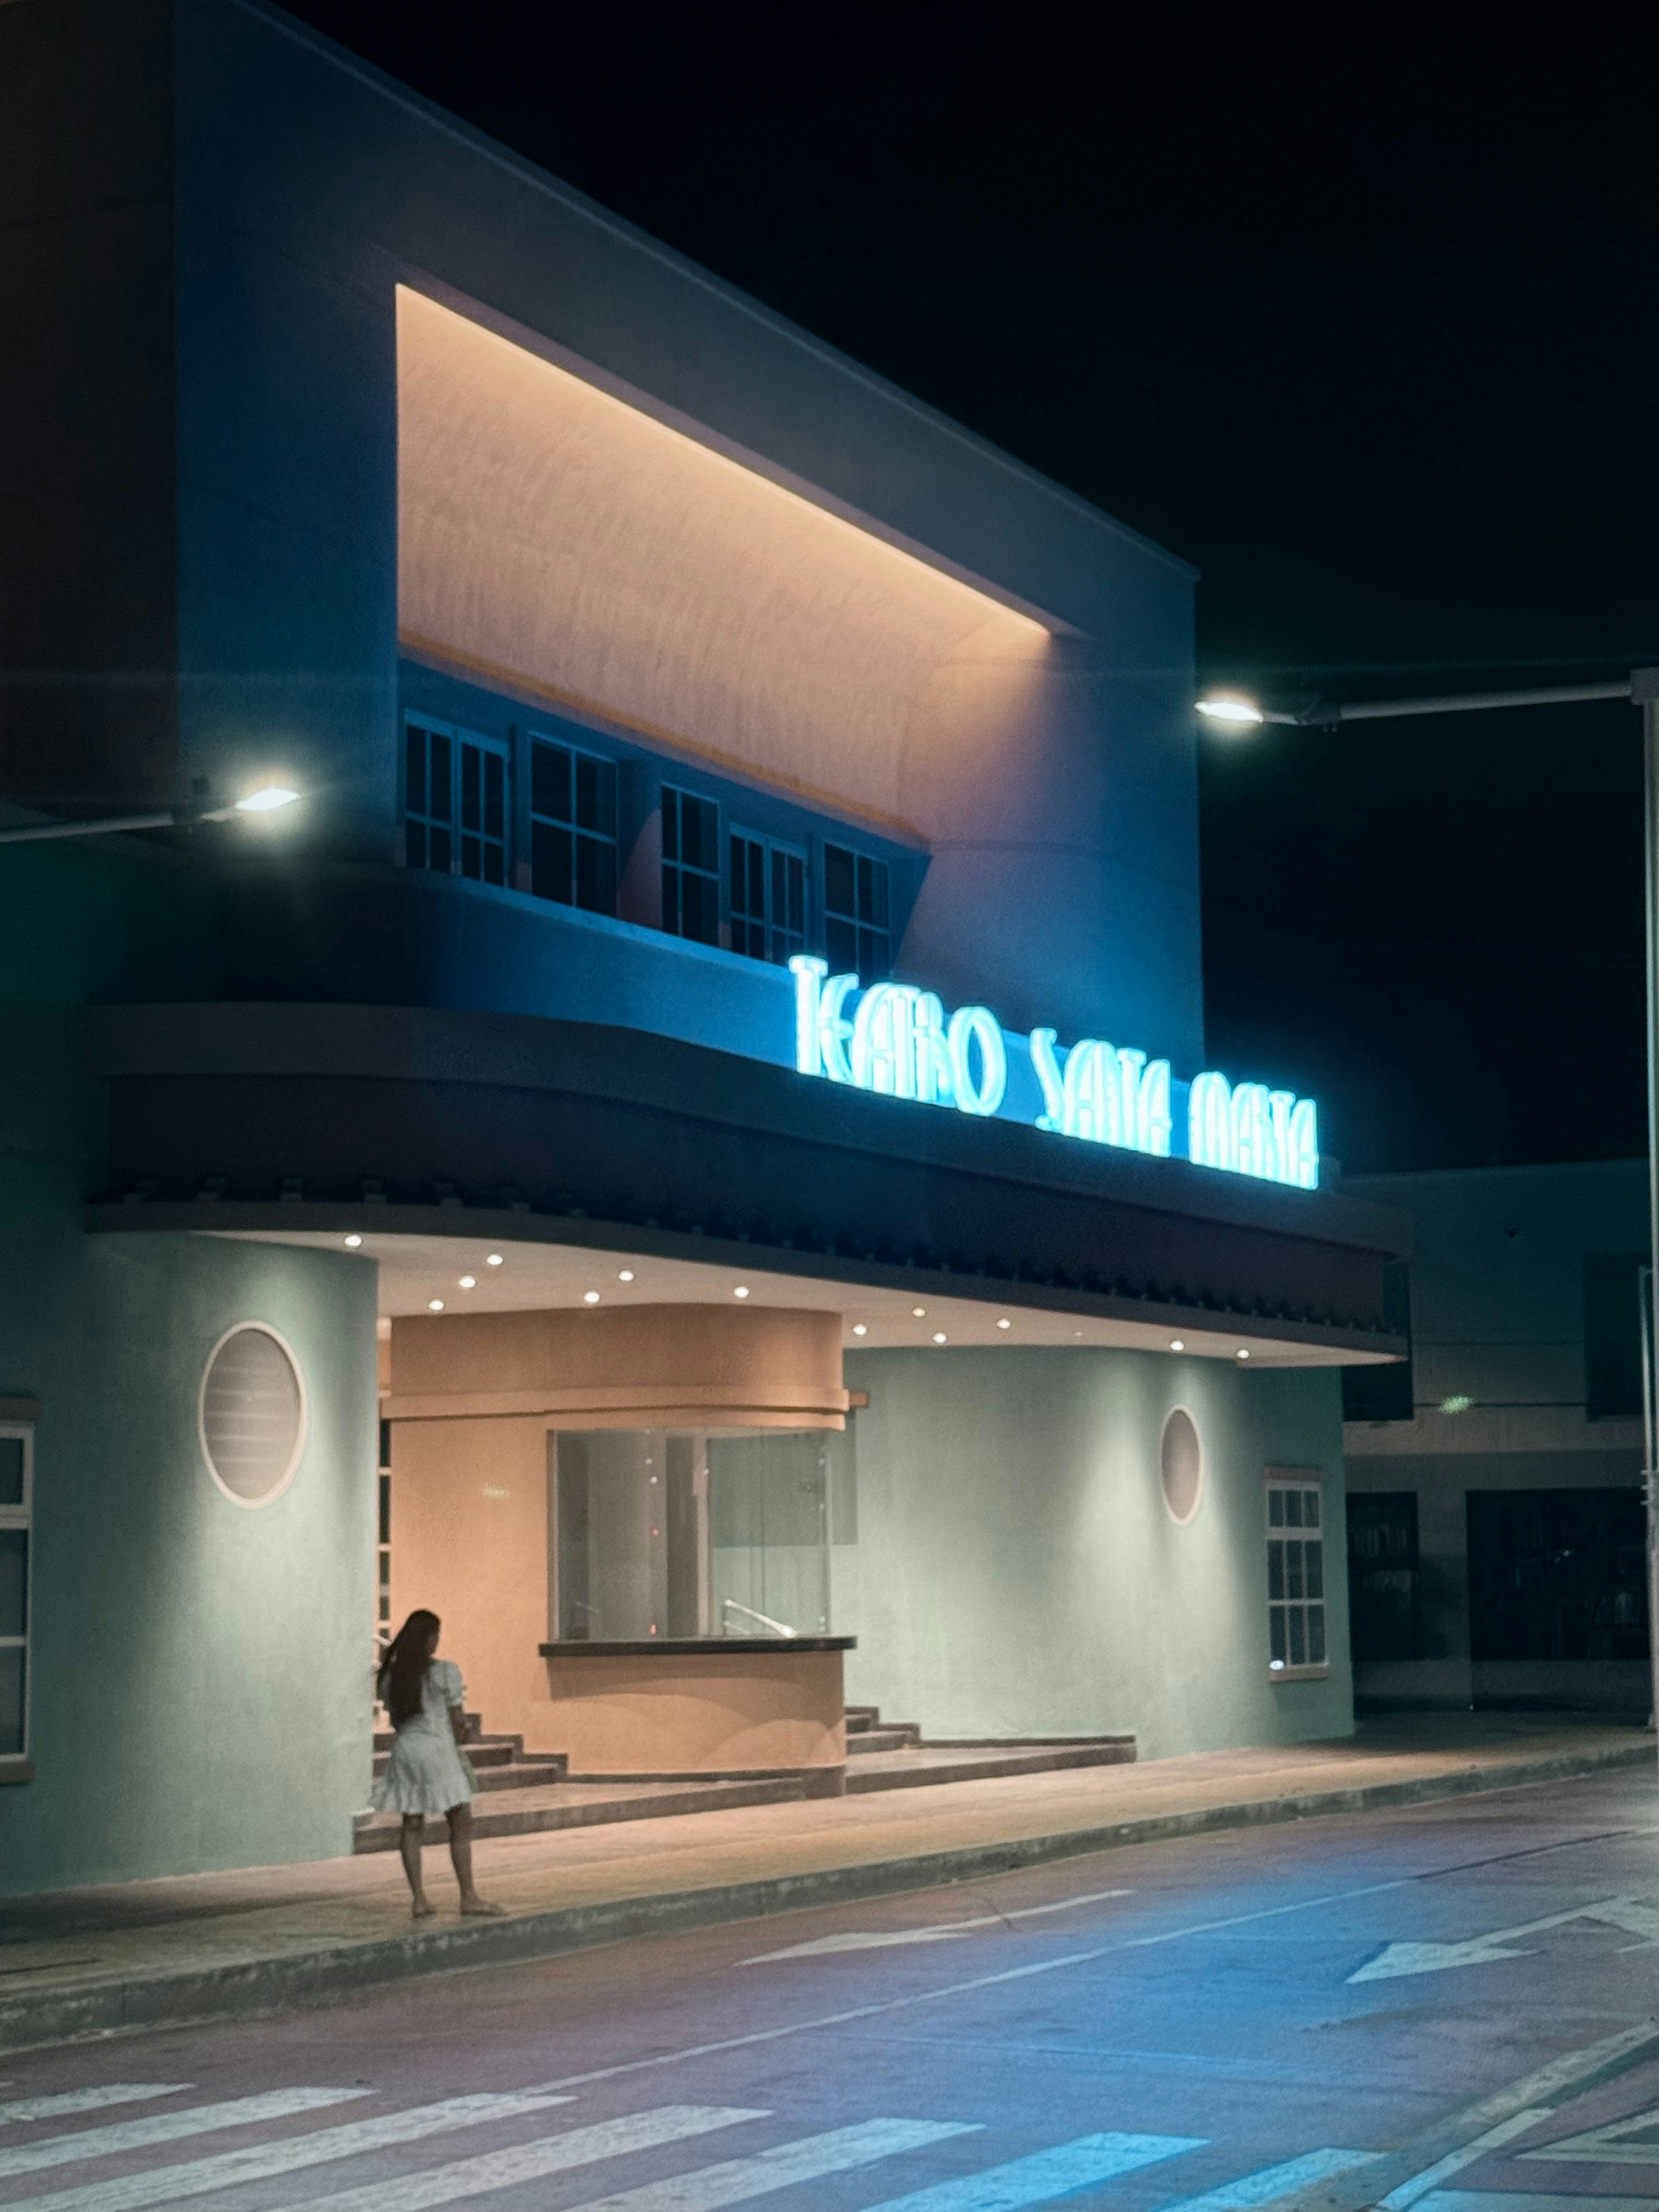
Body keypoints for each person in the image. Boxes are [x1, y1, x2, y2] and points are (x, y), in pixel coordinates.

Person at [373, 1609, 503, 1919]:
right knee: (460, 1820)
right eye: (436, 1635)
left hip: (406, 1749)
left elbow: (396, 1717)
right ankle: (468, 1896)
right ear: (430, 1638)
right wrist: (464, 1735)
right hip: (438, 1748)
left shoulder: (392, 1677)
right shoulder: (445, 1672)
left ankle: (419, 1899)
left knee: (412, 1823)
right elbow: (457, 1719)